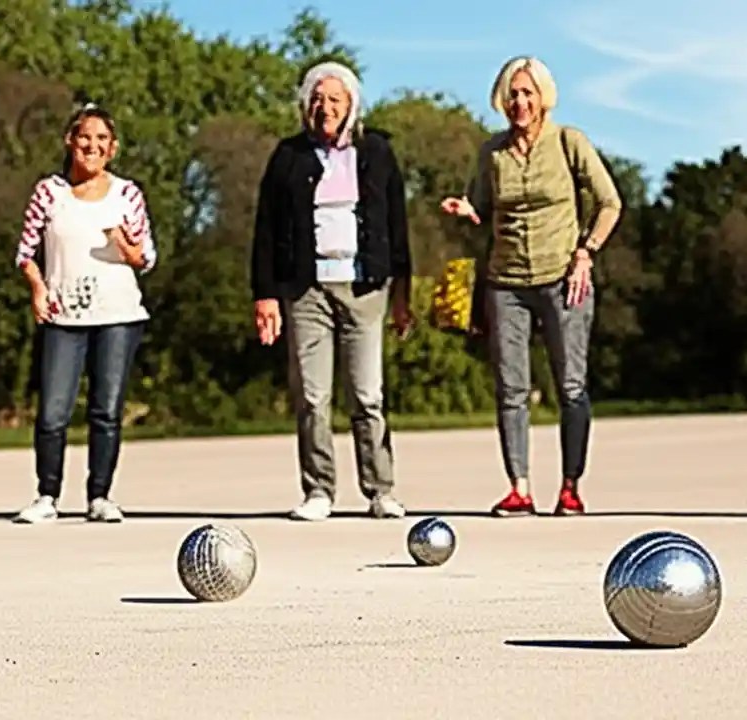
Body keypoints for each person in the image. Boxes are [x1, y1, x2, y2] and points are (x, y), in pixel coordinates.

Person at [440, 55, 622, 517]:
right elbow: (482, 208)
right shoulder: (492, 153)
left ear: (543, 97)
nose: (519, 101)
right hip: (506, 284)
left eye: (527, 93)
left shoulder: (568, 142)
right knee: (511, 389)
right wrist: (466, 211)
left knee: (571, 386)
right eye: (512, 94)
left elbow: (609, 202)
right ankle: (519, 487)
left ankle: (570, 486)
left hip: (564, 279)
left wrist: (587, 252)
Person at [250, 60, 415, 522]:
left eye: (335, 100)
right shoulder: (288, 156)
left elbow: (396, 225)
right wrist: (265, 294)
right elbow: (266, 228)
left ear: (352, 106)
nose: (326, 108)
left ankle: (380, 489)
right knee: (312, 395)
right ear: (306, 106)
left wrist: (403, 293)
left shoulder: (376, 151)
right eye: (318, 100)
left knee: (367, 395)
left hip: (365, 287)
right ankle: (318, 489)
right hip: (305, 288)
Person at [11, 104, 156, 525]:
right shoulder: (49, 193)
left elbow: (145, 256)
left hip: (118, 315)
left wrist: (127, 249)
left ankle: (100, 495)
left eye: (101, 141)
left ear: (112, 149)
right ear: (70, 142)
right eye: (85, 138)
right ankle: (46, 494)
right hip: (63, 316)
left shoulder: (127, 194)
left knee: (106, 410)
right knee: (53, 411)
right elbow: (25, 253)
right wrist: (38, 288)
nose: (92, 147)